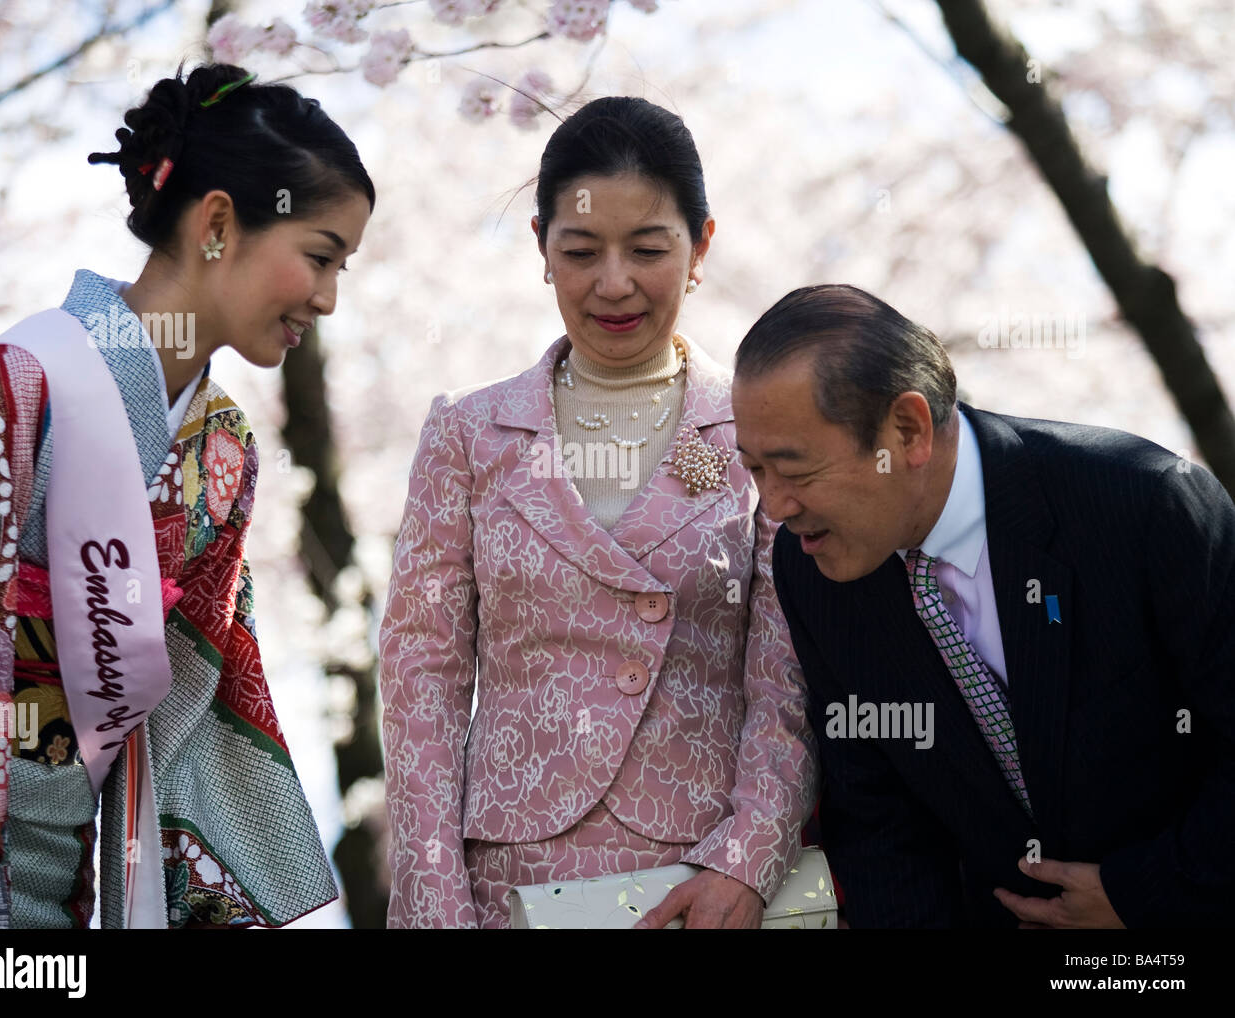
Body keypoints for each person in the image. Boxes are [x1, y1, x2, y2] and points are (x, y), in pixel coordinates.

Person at [0, 63, 374, 928]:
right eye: (320, 257)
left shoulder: (224, 453)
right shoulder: (14, 387)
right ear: (217, 223)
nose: (326, 297)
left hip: (68, 884)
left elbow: (196, 707)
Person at [380, 96, 816, 929]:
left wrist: (749, 859)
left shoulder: (755, 432)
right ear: (541, 247)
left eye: (648, 249)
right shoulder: (468, 437)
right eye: (581, 251)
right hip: (505, 882)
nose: (613, 284)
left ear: (701, 247)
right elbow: (421, 681)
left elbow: (785, 677)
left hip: (704, 879)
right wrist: (434, 899)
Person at [732, 283, 1235, 927]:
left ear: (907, 430)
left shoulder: (1145, 505)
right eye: (754, 471)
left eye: (796, 472)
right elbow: (880, 820)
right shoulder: (811, 570)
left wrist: (1143, 894)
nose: (775, 507)